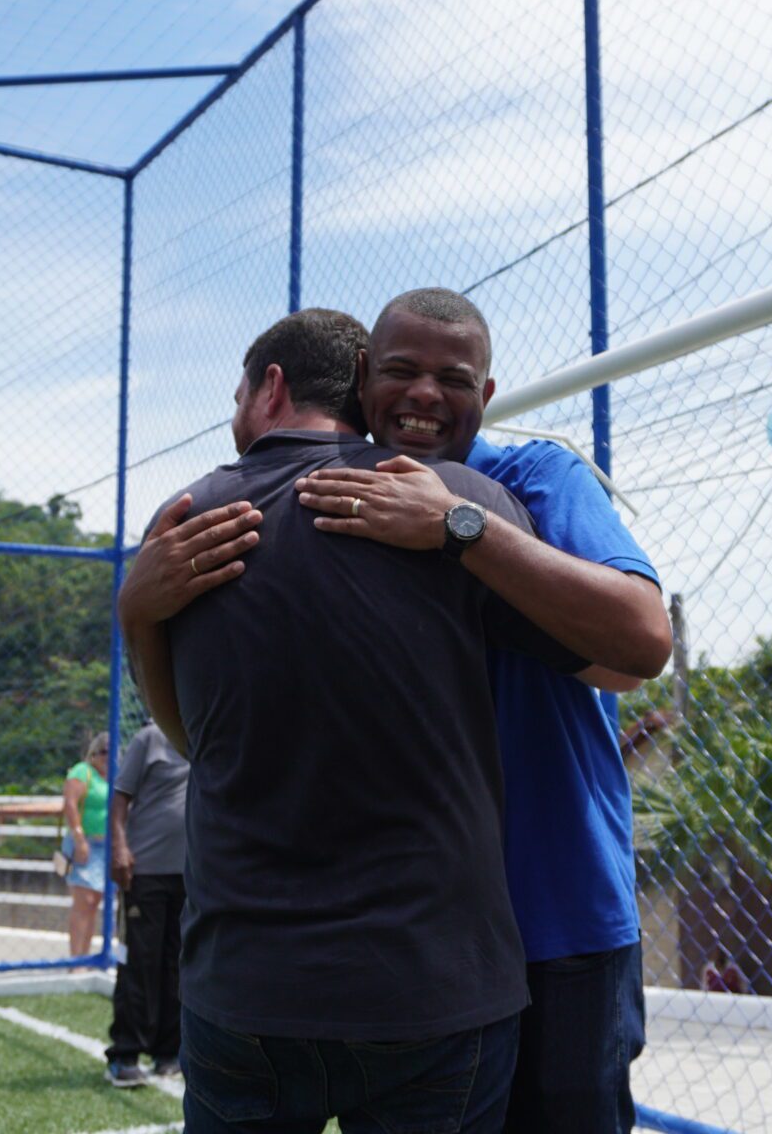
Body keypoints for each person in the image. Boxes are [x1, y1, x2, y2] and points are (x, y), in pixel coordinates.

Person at [116, 308, 590, 1134]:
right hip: (436, 985)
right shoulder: (466, 499)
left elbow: (196, 742)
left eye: (236, 393)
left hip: (245, 984)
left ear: (269, 387)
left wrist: (137, 616)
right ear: (364, 380)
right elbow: (623, 656)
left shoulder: (186, 523)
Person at [292, 288, 671, 1134]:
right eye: (400, 371)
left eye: (452, 378)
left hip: (557, 922)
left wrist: (457, 527)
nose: (425, 394)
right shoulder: (325, 502)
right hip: (408, 942)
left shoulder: (536, 478)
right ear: (362, 378)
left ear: (487, 396)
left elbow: (643, 641)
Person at [105, 719, 189, 1089]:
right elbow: (120, 797)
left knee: (179, 964)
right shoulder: (150, 738)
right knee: (140, 962)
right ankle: (125, 1054)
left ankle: (168, 1052)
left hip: (190, 875)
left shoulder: (203, 736)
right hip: (145, 872)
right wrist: (120, 849)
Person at [63, 736, 110, 957]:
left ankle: (87, 955)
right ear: (93, 753)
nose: (107, 757)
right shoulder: (83, 772)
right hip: (85, 843)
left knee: (95, 903)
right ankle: (76, 960)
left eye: (112, 752)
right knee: (84, 901)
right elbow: (70, 805)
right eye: (103, 752)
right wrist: (79, 839)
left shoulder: (113, 776)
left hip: (106, 845)